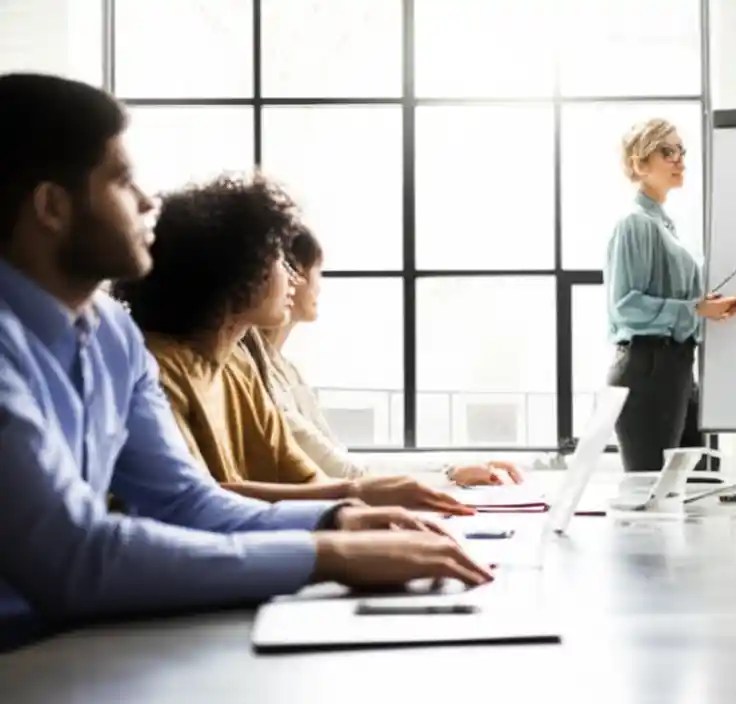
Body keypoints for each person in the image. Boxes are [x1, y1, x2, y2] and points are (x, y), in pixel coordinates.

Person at [0, 73, 490, 631]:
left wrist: (339, 521)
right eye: (122, 180)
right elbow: (75, 559)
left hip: (74, 646)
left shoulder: (113, 333)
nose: (147, 201)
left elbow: (187, 501)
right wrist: (325, 556)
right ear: (51, 207)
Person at [112, 174, 474, 514]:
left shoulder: (238, 366)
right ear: (235, 271)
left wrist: (362, 514)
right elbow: (188, 503)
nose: (290, 275)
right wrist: (353, 498)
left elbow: (301, 477)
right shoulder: (156, 368)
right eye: (278, 258)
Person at [245, 226, 524, 487]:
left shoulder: (285, 369)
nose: (318, 285)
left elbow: (342, 458)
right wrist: (449, 478)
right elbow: (343, 473)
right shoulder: (255, 375)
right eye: (316, 272)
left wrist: (452, 467)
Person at [604, 118, 736, 472]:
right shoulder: (635, 224)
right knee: (652, 496)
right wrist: (696, 308)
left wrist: (704, 306)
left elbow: (682, 306)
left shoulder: (665, 225)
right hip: (647, 369)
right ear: (640, 163)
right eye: (667, 151)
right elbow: (625, 307)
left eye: (681, 150)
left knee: (693, 490)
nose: (679, 159)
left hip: (677, 369)